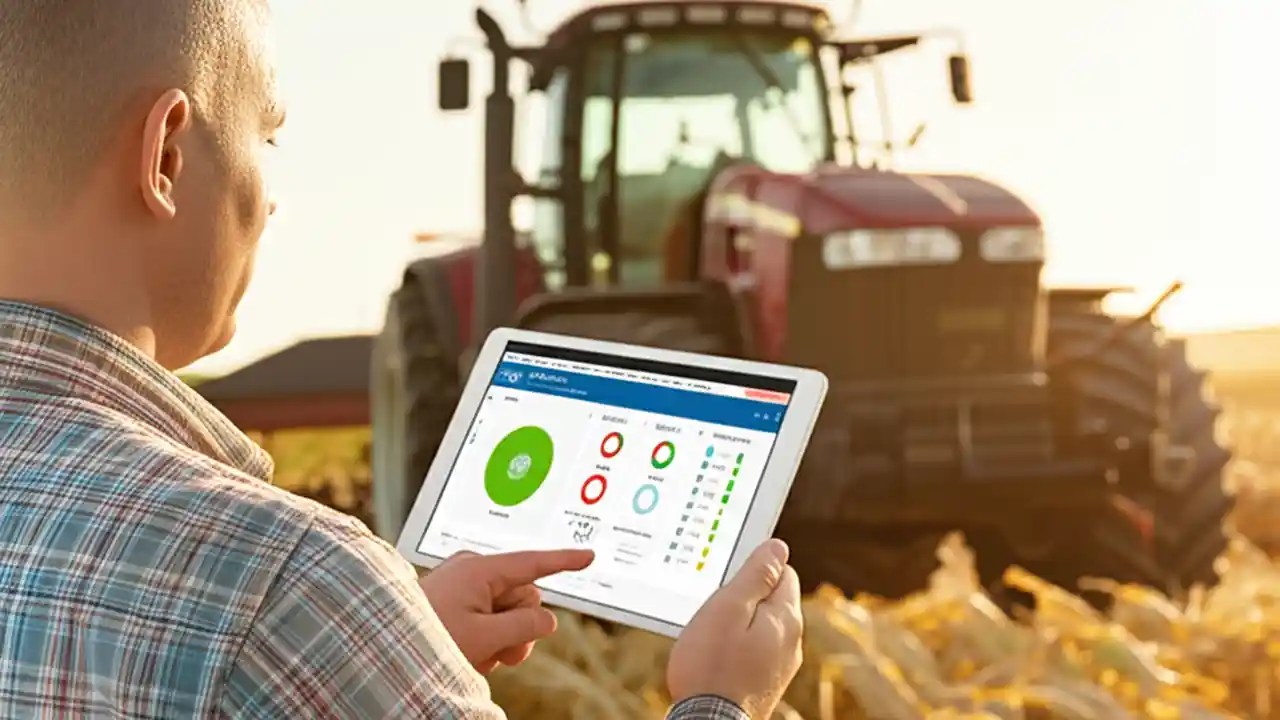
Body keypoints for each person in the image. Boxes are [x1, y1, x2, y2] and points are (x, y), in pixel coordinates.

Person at [0, 2, 804, 718]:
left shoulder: (306, 609)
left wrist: (391, 645)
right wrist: (721, 699)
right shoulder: (286, 582)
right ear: (167, 158)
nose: (271, 196)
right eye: (266, 135)